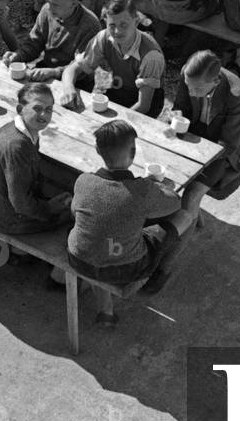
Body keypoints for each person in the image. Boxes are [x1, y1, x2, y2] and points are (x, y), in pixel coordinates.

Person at [67, 119, 199, 302]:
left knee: (115, 230)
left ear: (97, 151)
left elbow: (75, 213)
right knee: (185, 216)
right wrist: (158, 185)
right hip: (126, 268)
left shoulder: (83, 180)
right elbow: (175, 203)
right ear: (134, 153)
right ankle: (162, 270)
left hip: (78, 260)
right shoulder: (142, 189)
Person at [0, 83, 73, 236]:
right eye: (37, 108)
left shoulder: (22, 128)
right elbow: (20, 203)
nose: (44, 115)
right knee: (66, 214)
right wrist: (48, 209)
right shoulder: (17, 146)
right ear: (20, 109)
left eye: (48, 109)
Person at [61, 0, 166, 117]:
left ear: (136, 21)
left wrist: (115, 124)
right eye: (112, 25)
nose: (116, 31)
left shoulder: (151, 56)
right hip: (119, 90)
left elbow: (143, 106)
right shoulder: (103, 38)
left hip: (145, 102)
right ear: (105, 22)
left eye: (123, 25)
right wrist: (68, 88)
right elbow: (73, 68)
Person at [172, 51, 240, 200]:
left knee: (192, 194)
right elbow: (179, 107)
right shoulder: (188, 75)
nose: (192, 93)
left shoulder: (237, 96)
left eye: (198, 89)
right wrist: (177, 118)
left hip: (220, 149)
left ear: (216, 81)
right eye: (189, 87)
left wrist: (197, 161)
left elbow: (228, 144)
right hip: (194, 133)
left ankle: (186, 219)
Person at [8, 0, 101, 81]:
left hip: (77, 83)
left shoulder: (91, 25)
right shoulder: (47, 10)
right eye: (48, 1)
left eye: (55, 4)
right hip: (45, 70)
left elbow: (81, 67)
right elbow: (34, 43)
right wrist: (18, 56)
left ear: (73, 3)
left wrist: (54, 72)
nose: (49, 8)